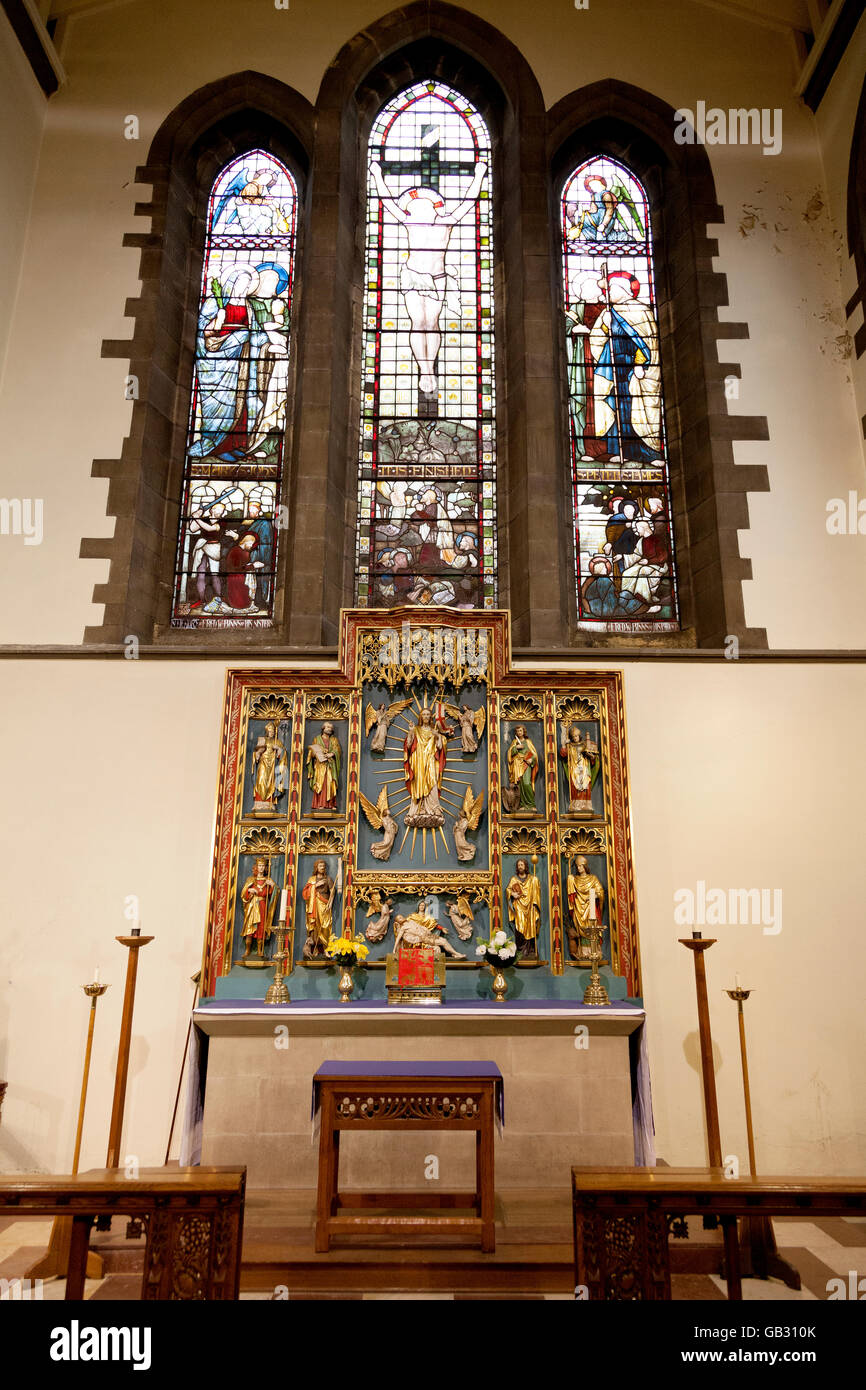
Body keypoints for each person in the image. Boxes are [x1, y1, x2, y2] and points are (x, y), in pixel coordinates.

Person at [370, 159, 487, 392]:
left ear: (433, 207)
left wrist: (479, 176)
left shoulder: (446, 223)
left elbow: (468, 202)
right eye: (414, 207)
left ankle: (429, 369)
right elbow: (387, 202)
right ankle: (423, 370)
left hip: (437, 278)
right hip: (413, 276)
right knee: (418, 322)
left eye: (423, 206)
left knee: (431, 322)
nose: (417, 209)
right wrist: (376, 176)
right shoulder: (410, 222)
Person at [403, 704, 453, 828]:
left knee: (432, 782)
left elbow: (440, 747)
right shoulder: (415, 730)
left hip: (430, 761)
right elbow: (409, 746)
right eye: (423, 714)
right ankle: (417, 809)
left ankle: (433, 808)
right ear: (421, 717)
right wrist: (410, 732)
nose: (425, 716)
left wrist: (437, 736)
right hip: (418, 761)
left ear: (430, 717)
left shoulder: (434, 731)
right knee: (418, 784)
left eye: (427, 714)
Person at [240, 857, 277, 960]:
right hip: (252, 906)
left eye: (263, 866)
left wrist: (273, 887)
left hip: (262, 905)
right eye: (259, 866)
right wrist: (249, 890)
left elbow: (273, 895)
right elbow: (243, 894)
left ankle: (260, 950)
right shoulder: (250, 880)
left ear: (265, 868)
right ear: (256, 867)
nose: (261, 868)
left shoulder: (268, 880)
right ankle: (247, 950)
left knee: (261, 928)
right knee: (250, 928)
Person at [506, 858, 541, 959]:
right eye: (518, 865)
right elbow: (508, 890)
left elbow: (536, 892)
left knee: (530, 927)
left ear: (526, 866)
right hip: (519, 906)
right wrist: (512, 893)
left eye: (522, 865)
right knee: (520, 926)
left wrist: (535, 882)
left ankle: (530, 950)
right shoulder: (514, 879)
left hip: (530, 907)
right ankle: (521, 949)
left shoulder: (532, 879)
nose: (520, 866)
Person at [301, 860, 335, 959]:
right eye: (320, 866)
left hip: (325, 904)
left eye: (324, 866)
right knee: (315, 927)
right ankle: (315, 949)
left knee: (325, 927)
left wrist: (330, 903)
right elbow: (305, 893)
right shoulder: (312, 879)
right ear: (316, 867)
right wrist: (315, 886)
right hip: (314, 905)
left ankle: (325, 949)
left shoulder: (328, 879)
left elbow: (332, 891)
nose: (322, 868)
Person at [306, 722, 342, 812]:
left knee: (330, 783)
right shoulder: (317, 739)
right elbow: (311, 752)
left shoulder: (334, 740)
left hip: (330, 765)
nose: (329, 729)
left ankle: (331, 804)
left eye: (331, 727)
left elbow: (337, 749)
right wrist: (316, 754)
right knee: (321, 784)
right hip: (320, 766)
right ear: (323, 728)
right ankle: (320, 804)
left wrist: (331, 754)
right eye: (328, 727)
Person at [506, 725, 540, 812]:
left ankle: (531, 804)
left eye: (520, 731)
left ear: (523, 731)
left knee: (526, 783)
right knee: (520, 785)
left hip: (526, 764)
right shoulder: (515, 742)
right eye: (517, 731)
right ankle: (522, 805)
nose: (519, 733)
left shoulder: (528, 742)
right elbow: (510, 753)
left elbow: (534, 754)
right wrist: (516, 748)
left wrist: (531, 759)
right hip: (517, 765)